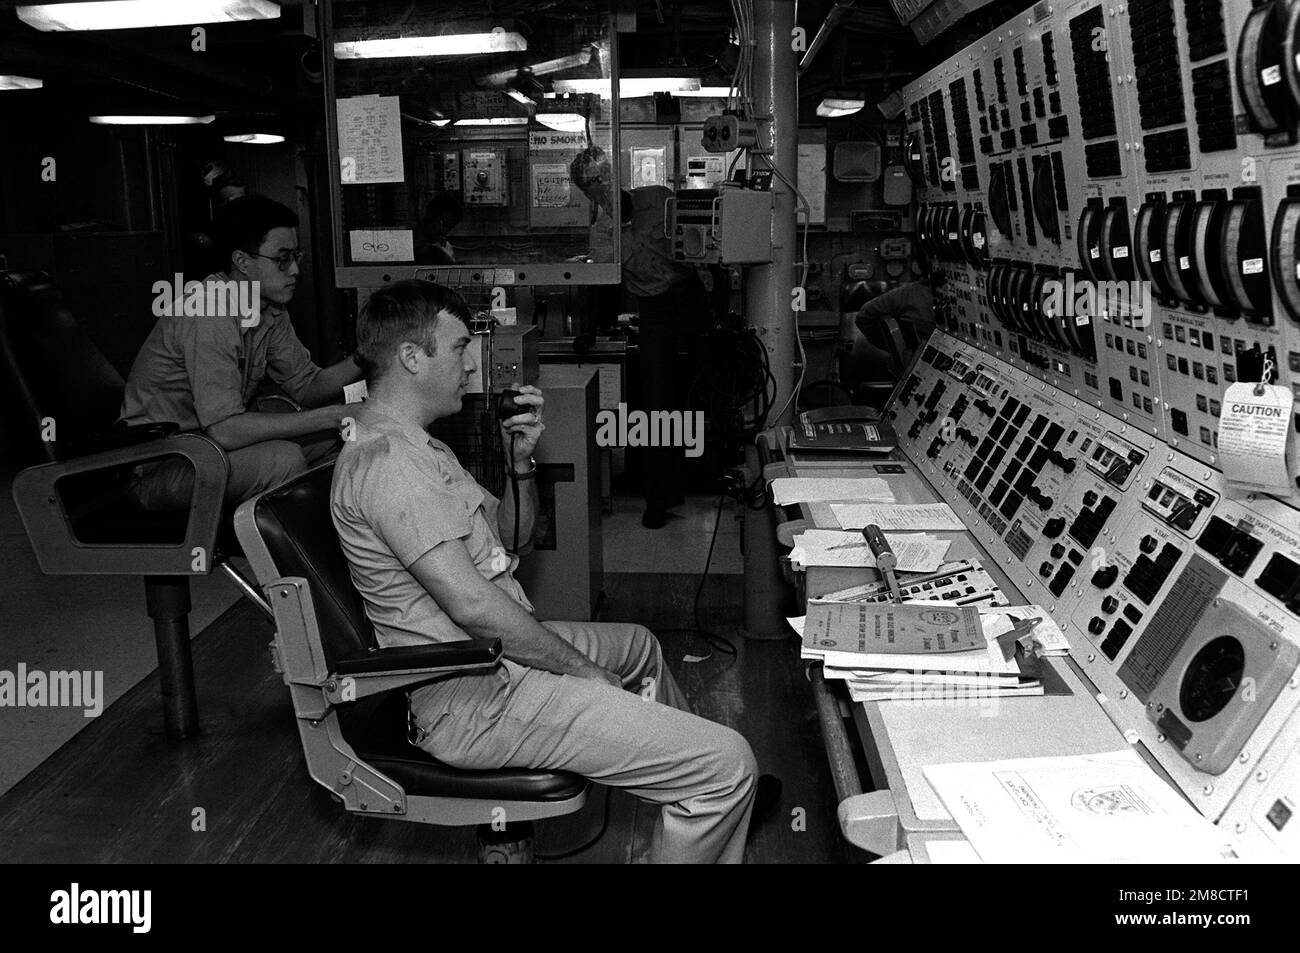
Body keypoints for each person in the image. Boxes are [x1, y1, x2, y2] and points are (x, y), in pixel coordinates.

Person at [332, 279, 773, 863]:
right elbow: (473, 607)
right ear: (412, 358)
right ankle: (706, 787)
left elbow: (511, 541)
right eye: (461, 347)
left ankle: (676, 785)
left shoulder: (423, 449)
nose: (472, 365)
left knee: (640, 648)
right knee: (729, 765)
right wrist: (581, 671)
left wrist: (521, 465)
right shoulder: (388, 464)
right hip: (469, 696)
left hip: (493, 659)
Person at [119, 194, 364, 509]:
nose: (295, 271)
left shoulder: (268, 308)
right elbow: (227, 430)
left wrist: (365, 356)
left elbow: (307, 387)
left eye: (297, 256)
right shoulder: (208, 312)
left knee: (335, 438)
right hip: (161, 465)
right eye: (282, 258)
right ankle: (280, 554)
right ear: (242, 261)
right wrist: (333, 415)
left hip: (206, 448)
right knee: (282, 459)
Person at [569, 146, 721, 529]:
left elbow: (703, 239)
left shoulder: (658, 199)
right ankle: (660, 497)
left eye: (602, 180)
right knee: (655, 404)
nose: (600, 191)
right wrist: (589, 330)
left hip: (694, 299)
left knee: (708, 389)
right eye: (591, 187)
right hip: (655, 312)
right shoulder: (602, 236)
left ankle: (716, 477)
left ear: (614, 176)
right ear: (586, 193)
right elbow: (601, 286)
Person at [414, 192, 463, 265]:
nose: (444, 232)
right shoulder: (413, 246)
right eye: (443, 225)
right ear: (430, 216)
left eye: (449, 228)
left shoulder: (442, 247)